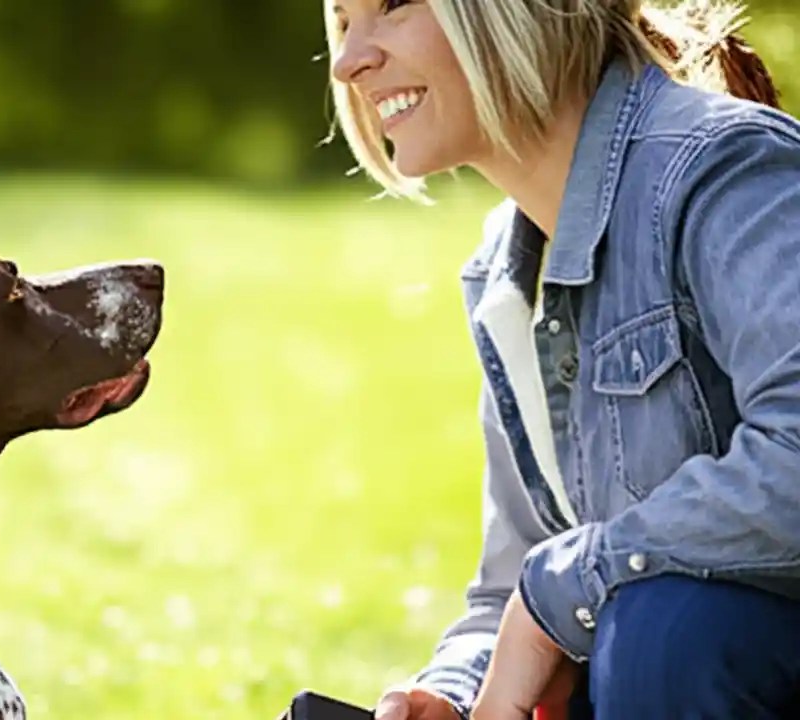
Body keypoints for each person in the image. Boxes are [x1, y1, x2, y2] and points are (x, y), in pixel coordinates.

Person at [322, 0, 800, 718]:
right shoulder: (502, 275)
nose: (348, 60)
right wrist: (455, 692)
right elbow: (519, 583)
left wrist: (567, 589)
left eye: (391, 7)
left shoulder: (725, 169)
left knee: (664, 634)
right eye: (341, 21)